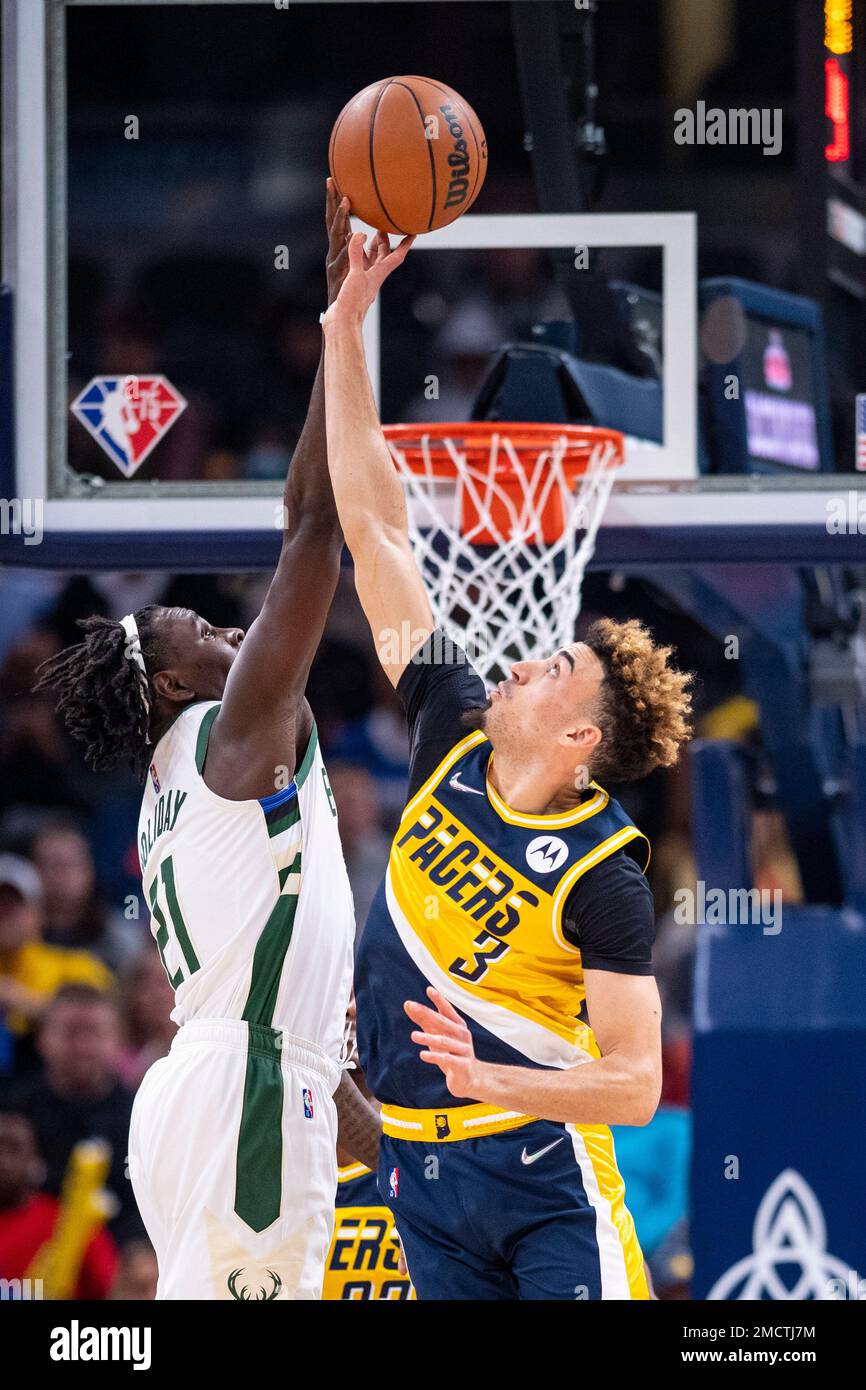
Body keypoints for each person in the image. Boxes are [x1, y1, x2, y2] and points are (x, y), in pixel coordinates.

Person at [322, 232, 694, 1300]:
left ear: (581, 737)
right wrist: (345, 328)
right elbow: (379, 529)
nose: (523, 659)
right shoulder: (450, 722)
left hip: (540, 1173)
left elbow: (630, 1083)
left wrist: (492, 1072)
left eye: (552, 667)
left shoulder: (602, 876)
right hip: (415, 1170)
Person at [33, 184, 384, 1300]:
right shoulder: (231, 736)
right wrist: (347, 315)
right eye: (205, 626)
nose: (232, 626)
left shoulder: (184, 772)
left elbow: (297, 522)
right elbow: (315, 530)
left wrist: (360, 1113)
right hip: (243, 1092)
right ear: (177, 681)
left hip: (227, 1081)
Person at [1, 985, 142, 1244]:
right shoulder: (11, 1111)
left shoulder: (142, 1115)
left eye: (95, 1032)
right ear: (42, 1038)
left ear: (119, 1041)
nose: (83, 1046)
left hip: (120, 1261)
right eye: (71, 1032)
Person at [0, 854, 113, 1071]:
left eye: (14, 906)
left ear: (38, 913)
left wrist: (23, 1001)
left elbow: (110, 1017)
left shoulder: (77, 966)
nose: (5, 914)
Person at [0, 1110, 118, 1300]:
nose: (3, 1161)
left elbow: (111, 1289)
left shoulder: (70, 1222)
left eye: (13, 1149)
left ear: (35, 1161)